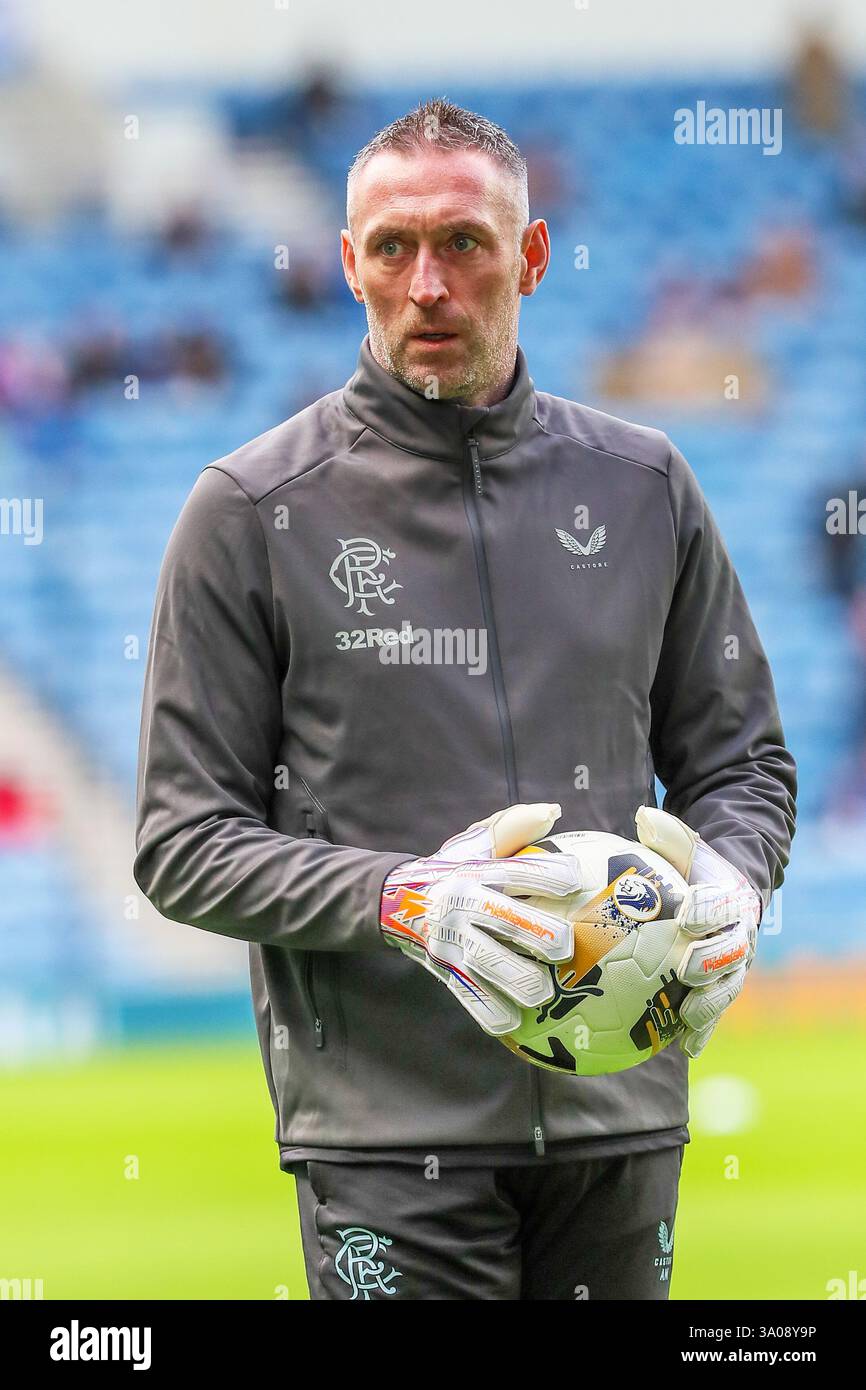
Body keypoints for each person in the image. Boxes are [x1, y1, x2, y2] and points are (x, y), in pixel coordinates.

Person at [134, 99, 796, 1301]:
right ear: (348, 264)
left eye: (462, 243)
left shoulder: (645, 485)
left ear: (529, 257)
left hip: (619, 1111)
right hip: (385, 1140)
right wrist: (402, 899)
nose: (425, 282)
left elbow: (741, 765)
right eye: (390, 248)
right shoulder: (247, 512)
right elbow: (182, 841)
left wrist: (731, 885)